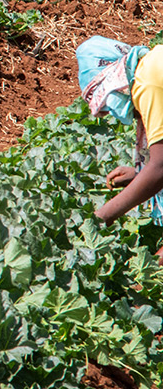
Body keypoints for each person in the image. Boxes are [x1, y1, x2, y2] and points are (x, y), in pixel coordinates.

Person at [76, 36, 163, 264]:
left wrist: (102, 216)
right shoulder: (151, 66)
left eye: (106, 105)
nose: (109, 113)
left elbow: (160, 167)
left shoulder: (148, 82)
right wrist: (138, 175)